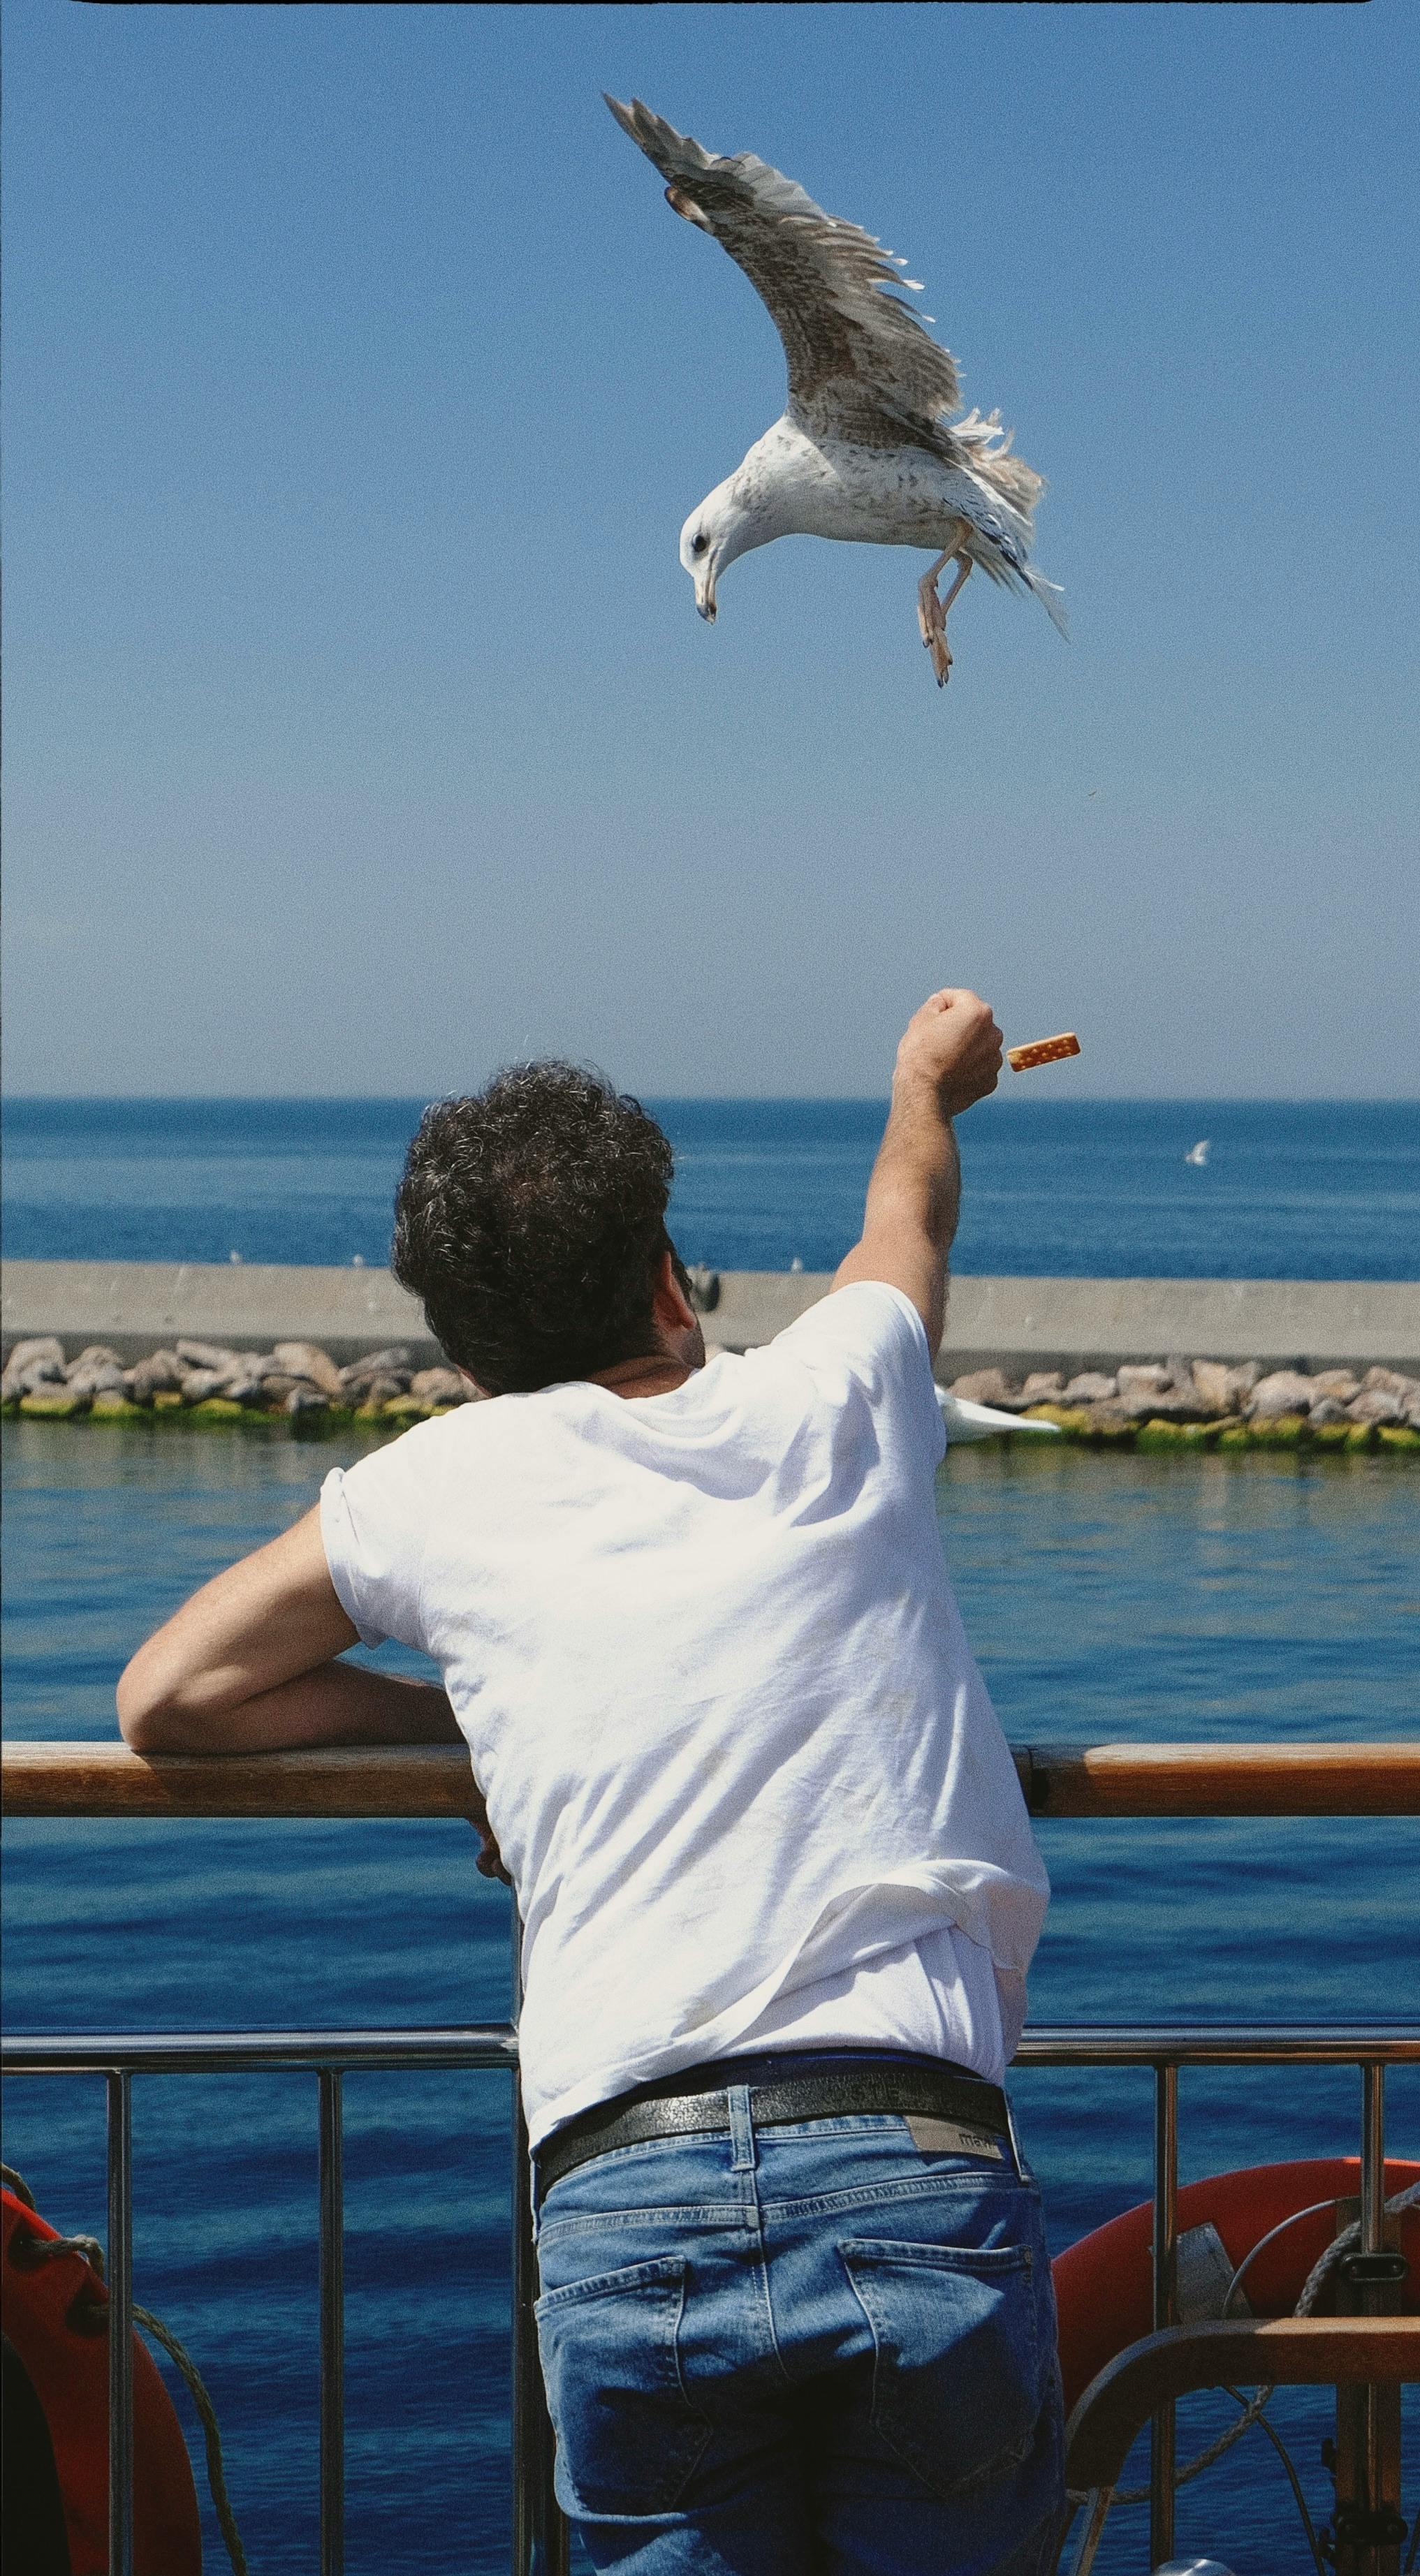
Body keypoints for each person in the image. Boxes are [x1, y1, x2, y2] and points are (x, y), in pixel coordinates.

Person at [117, 987, 1063, 2575]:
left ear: (464, 1346)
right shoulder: (837, 1394)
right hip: (909, 2156)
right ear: (669, 1284)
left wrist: (473, 1728)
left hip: (630, 2195)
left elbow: (174, 1694)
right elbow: (906, 1219)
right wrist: (924, 1084)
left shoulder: (438, 1485)